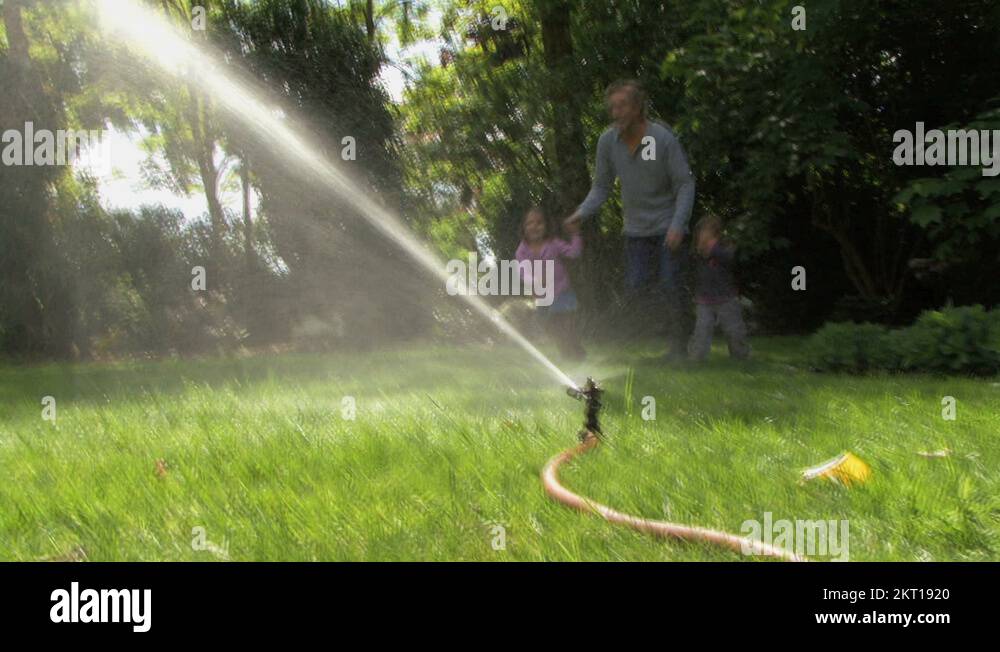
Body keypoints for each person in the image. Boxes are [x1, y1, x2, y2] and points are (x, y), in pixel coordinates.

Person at [564, 79, 696, 360]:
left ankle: (678, 348)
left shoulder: (662, 139)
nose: (615, 113)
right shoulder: (607, 142)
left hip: (668, 226)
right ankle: (640, 340)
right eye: (612, 107)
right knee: (637, 287)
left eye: (621, 106)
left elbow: (684, 183)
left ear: (637, 107)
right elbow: (601, 187)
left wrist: (677, 225)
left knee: (671, 285)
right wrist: (580, 213)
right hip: (636, 231)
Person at [515, 206, 585, 360]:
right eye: (530, 223)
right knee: (551, 328)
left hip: (562, 291)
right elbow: (522, 272)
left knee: (567, 325)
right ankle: (566, 353)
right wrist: (535, 282)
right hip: (542, 298)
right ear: (524, 227)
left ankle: (575, 351)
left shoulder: (553, 243)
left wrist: (575, 234)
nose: (534, 226)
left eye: (539, 222)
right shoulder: (522, 250)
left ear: (547, 226)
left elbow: (574, 253)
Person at [688, 214, 749, 361]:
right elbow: (692, 270)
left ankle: (740, 356)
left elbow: (731, 259)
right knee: (702, 331)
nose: (702, 236)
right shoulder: (697, 253)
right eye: (700, 233)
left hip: (726, 297)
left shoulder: (724, 247)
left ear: (716, 233)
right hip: (704, 300)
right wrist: (701, 251)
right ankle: (697, 358)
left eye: (705, 232)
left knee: (734, 330)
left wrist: (713, 249)